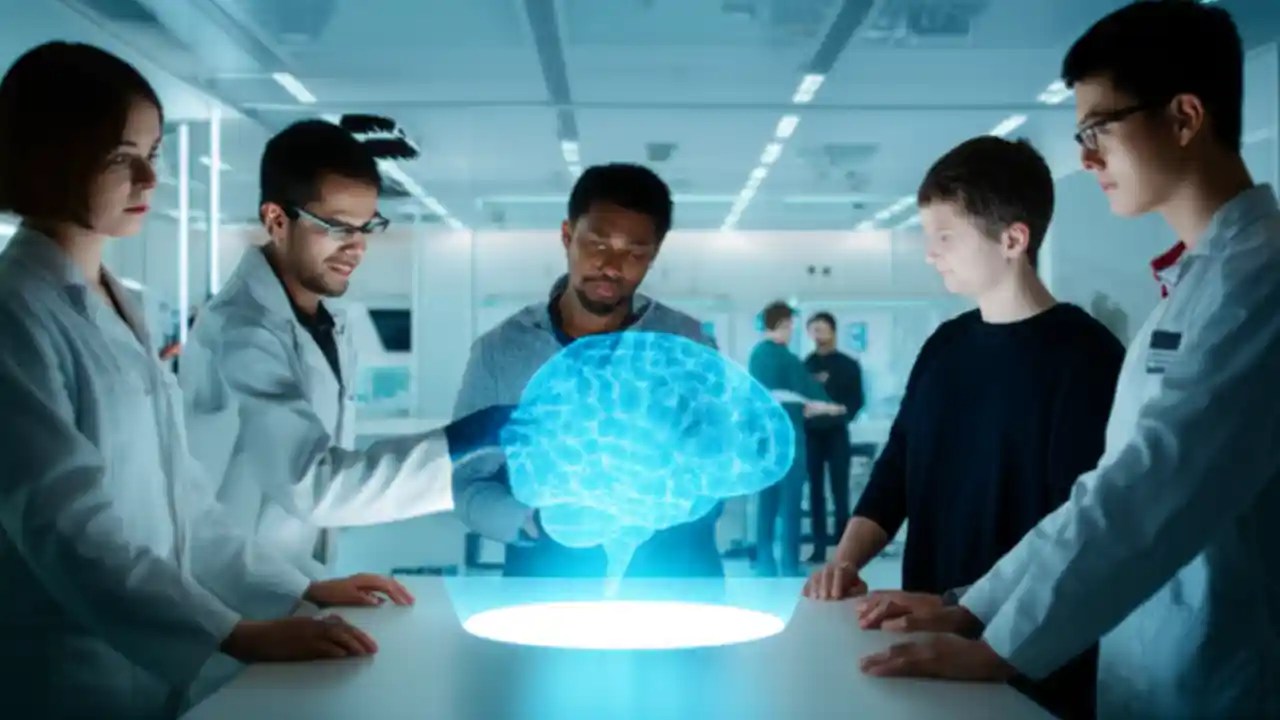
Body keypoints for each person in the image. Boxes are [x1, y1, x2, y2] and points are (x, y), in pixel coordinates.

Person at [857, 3, 1280, 717]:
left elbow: (1151, 486)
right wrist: (973, 608)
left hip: (1223, 673)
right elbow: (1107, 488)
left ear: (1183, 118)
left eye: (1098, 129)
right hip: (1152, 662)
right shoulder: (1199, 284)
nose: (1085, 158)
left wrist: (1001, 646)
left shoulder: (1258, 281)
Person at [0, 42, 414, 719]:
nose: (149, 180)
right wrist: (236, 633)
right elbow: (69, 530)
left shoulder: (115, 299)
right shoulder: (16, 311)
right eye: (119, 158)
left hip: (147, 669)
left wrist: (299, 593)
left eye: (154, 153)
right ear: (48, 155)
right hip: (69, 673)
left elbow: (184, 502)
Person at [806, 136, 1123, 718]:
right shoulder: (946, 345)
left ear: (1012, 239)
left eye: (945, 237)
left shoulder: (1087, 358)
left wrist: (970, 610)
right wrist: (845, 560)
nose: (931, 253)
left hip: (1027, 647)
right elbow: (898, 465)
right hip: (921, 627)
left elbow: (1076, 527)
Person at [181, 120, 514, 580]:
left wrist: (316, 586)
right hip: (228, 594)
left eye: (366, 227)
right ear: (276, 220)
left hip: (287, 579)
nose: (357, 248)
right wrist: (463, 444)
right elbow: (311, 485)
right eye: (336, 227)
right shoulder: (242, 329)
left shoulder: (327, 321)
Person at [452, 163, 723, 578]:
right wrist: (531, 520)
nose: (612, 267)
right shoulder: (502, 351)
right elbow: (466, 480)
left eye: (635, 253)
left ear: (654, 255)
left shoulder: (688, 343)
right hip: (548, 570)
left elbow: (720, 460)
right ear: (567, 236)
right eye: (597, 245)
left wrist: (673, 497)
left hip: (672, 568)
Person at [748, 301, 844, 577]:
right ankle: (789, 563)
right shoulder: (784, 357)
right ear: (782, 324)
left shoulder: (757, 355)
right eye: (790, 325)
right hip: (789, 438)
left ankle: (765, 561)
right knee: (790, 502)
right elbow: (807, 389)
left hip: (766, 439)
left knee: (766, 501)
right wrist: (831, 406)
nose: (791, 331)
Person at [802, 311, 864, 563]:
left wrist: (838, 412)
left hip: (837, 434)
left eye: (822, 329)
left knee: (840, 491)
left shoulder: (848, 365)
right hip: (812, 436)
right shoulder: (806, 366)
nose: (818, 335)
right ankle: (818, 547)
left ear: (833, 332)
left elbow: (857, 401)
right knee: (816, 491)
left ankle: (842, 550)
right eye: (813, 330)